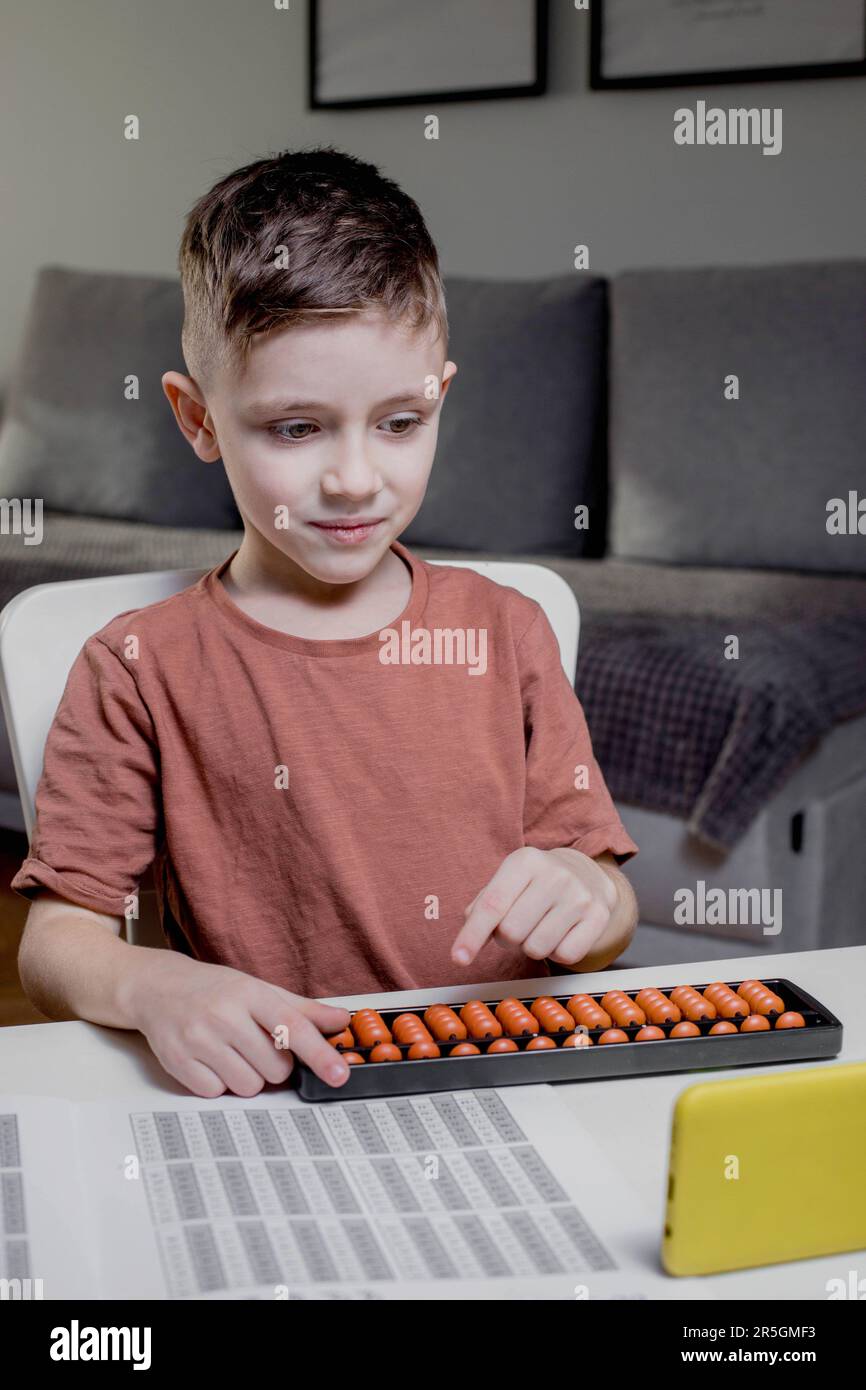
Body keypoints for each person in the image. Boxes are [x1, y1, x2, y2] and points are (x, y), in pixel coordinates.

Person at [13, 147, 639, 1098]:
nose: (354, 478)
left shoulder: (507, 631)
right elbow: (58, 942)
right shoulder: (139, 665)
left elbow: (606, 903)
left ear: (441, 399)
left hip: (505, 1088)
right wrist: (154, 985)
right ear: (198, 419)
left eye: (398, 422)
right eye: (296, 428)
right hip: (277, 1103)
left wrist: (593, 899)